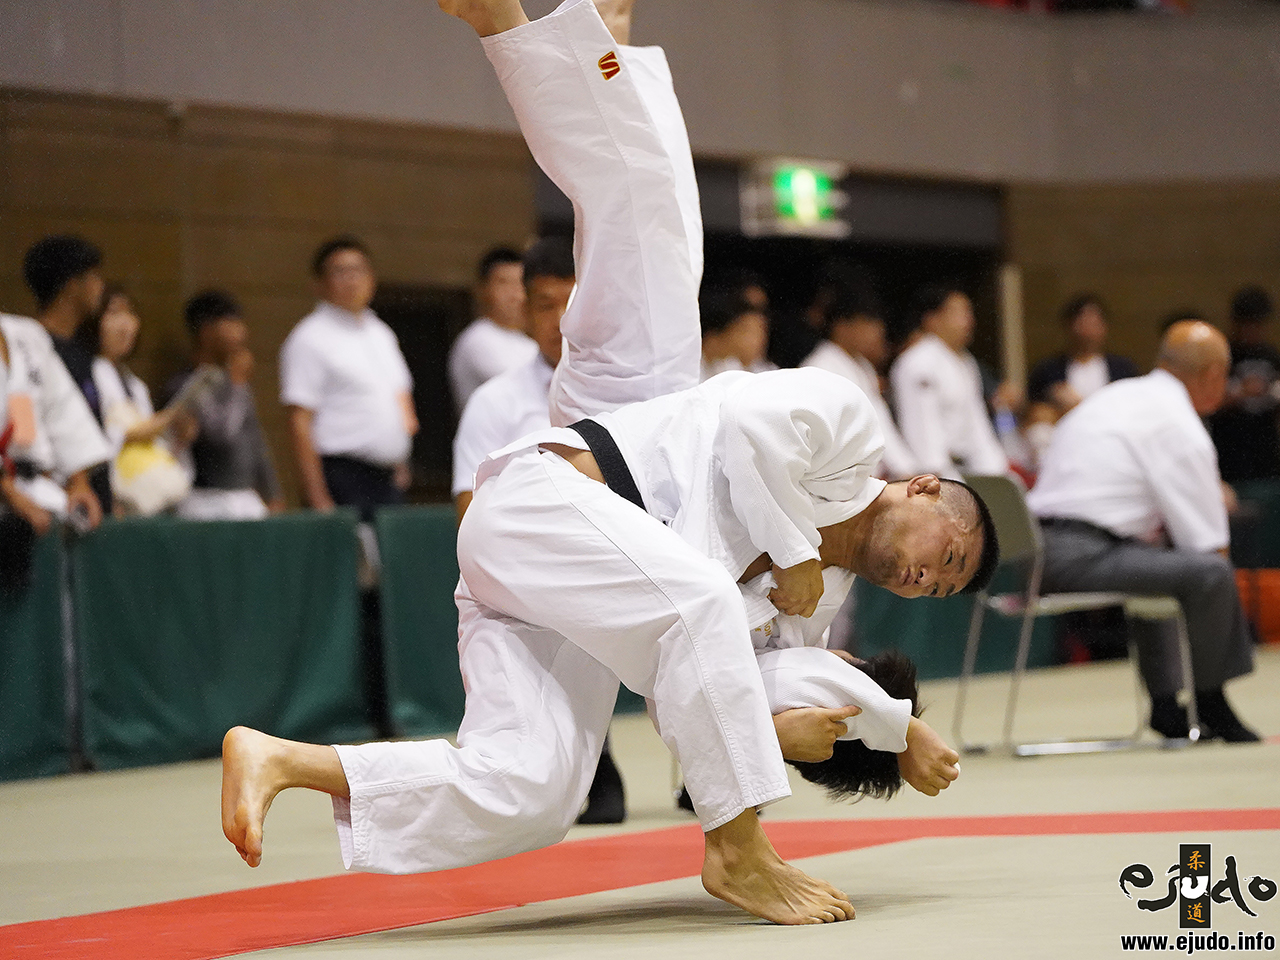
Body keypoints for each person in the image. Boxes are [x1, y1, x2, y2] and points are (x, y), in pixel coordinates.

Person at [223, 0, 986, 925]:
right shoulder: (845, 430)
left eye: (938, 589)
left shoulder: (814, 605)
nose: (921, 576)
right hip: (588, 468)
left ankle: (284, 759)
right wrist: (788, 549)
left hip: (582, 558)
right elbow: (745, 427)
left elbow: (719, 684)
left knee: (536, 789)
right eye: (945, 554)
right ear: (923, 485)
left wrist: (883, 725)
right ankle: (737, 852)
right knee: (650, 208)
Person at [451, 235, 628, 824]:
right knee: (591, 805)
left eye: (569, 304)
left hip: (623, 564)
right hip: (536, 583)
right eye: (544, 306)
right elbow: (470, 513)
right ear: (523, 313)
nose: (557, 321)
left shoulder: (621, 393)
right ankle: (575, 756)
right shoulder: (493, 403)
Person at [1027, 320, 1260, 743]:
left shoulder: (1119, 396)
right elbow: (1209, 547)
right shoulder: (1177, 424)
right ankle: (1213, 703)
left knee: (1159, 563)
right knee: (1209, 574)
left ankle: (1169, 708)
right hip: (1079, 554)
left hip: (1035, 548)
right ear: (1212, 375)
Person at [280, 235, 417, 519]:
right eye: (340, 272)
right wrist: (317, 495)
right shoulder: (309, 337)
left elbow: (398, 398)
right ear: (318, 284)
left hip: (387, 477)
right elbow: (299, 421)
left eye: (359, 270)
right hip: (342, 475)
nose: (352, 279)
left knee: (388, 559)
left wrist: (400, 458)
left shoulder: (380, 333)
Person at [77, 288, 194, 516]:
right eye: (114, 313)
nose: (125, 324)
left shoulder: (135, 384)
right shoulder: (87, 373)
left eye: (130, 314)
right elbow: (108, 437)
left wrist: (177, 434)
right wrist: (156, 424)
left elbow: (150, 446)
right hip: (105, 493)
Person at [168, 290, 283, 520]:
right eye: (231, 322)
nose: (241, 331)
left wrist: (272, 493)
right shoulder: (186, 384)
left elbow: (254, 438)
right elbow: (221, 436)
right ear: (206, 330)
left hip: (247, 498)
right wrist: (238, 385)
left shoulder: (234, 381)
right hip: (206, 501)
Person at [22, 234, 113, 513]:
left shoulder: (80, 353)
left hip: (92, 497)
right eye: (94, 277)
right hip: (56, 505)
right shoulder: (28, 349)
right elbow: (23, 426)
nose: (101, 286)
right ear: (72, 285)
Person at [0, 312, 108, 536]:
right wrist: (8, 492)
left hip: (37, 487)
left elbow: (62, 406)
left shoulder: (27, 335)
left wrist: (78, 481)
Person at [890, 284, 1009, 480]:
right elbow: (922, 430)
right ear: (931, 320)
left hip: (966, 467)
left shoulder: (965, 362)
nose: (968, 321)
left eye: (968, 313)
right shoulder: (918, 361)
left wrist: (998, 472)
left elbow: (977, 425)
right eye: (958, 313)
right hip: (932, 474)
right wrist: (939, 478)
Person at [803, 288, 922, 480]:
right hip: (839, 479)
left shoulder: (863, 366)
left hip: (875, 475)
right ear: (841, 326)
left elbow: (880, 423)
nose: (877, 331)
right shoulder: (819, 367)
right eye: (867, 323)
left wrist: (906, 469)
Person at [447, 247, 535, 409]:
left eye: (520, 284)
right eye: (503, 283)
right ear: (483, 290)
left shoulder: (527, 342)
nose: (514, 295)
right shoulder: (478, 339)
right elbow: (530, 385)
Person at [1026, 294, 1140, 419]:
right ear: (1068, 326)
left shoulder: (1123, 369)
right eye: (1082, 322)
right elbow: (1032, 411)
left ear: (1104, 327)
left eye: (1094, 323)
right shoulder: (1048, 370)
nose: (1088, 331)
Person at [1209, 286, 1280, 482]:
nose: (1253, 332)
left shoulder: (1270, 355)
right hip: (1230, 455)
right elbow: (1207, 403)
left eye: (1258, 325)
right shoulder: (1221, 354)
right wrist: (1241, 392)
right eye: (1248, 325)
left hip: (1266, 455)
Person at [698, 286, 773, 380]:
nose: (759, 341)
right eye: (748, 332)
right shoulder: (687, 369)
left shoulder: (765, 373)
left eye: (763, 332)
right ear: (715, 335)